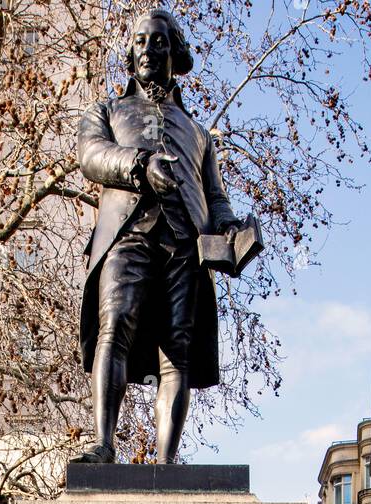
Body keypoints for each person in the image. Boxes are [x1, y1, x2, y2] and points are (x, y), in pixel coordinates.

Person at [73, 9, 243, 466]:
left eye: (160, 42)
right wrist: (139, 164)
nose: (149, 49)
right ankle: (104, 445)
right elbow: (91, 155)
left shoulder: (199, 134)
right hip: (126, 234)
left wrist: (229, 228)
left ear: (176, 54)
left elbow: (215, 195)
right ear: (130, 54)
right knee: (116, 323)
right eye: (141, 41)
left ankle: (167, 467)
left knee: (178, 348)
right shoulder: (107, 110)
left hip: (184, 243)